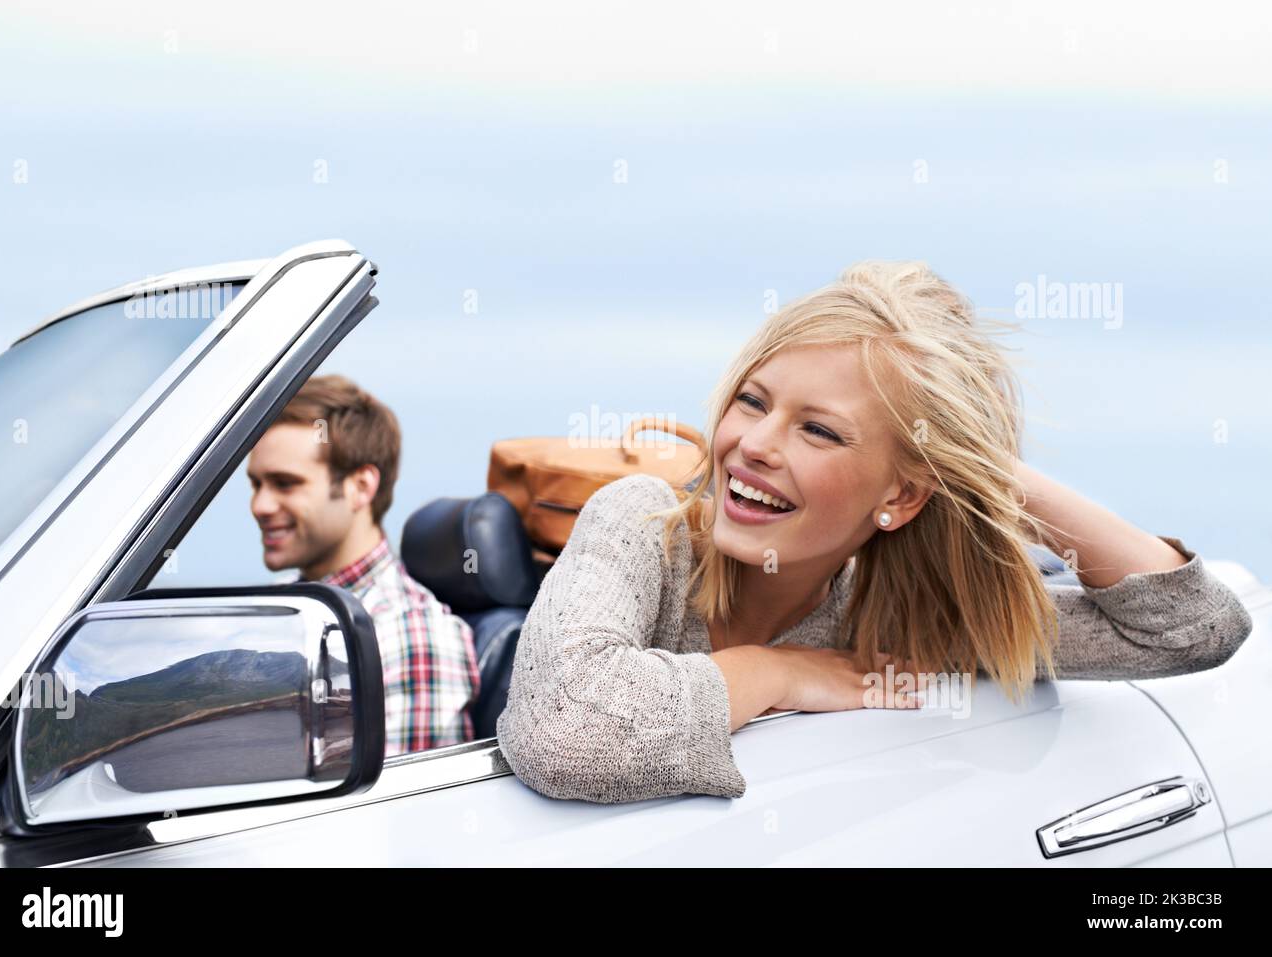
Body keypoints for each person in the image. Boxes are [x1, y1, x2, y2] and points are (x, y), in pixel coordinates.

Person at [495, 260, 1254, 804]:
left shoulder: (904, 623)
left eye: (819, 430)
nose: (754, 444)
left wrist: (981, 467)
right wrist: (779, 671)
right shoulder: (639, 523)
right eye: (753, 401)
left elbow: (1193, 630)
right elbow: (563, 729)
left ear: (902, 495)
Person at [247, 374, 480, 757]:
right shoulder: (282, 605)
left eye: (285, 483)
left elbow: (397, 793)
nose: (260, 505)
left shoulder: (408, 633)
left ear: (360, 487)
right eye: (256, 484)